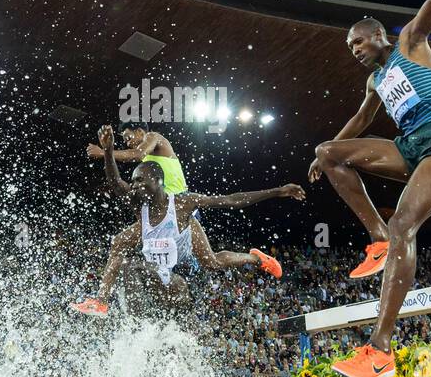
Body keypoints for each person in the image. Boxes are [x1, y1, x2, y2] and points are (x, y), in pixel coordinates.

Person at [308, 0, 431, 377]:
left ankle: (380, 349)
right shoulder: (374, 83)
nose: (355, 51)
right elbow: (360, 122)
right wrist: (325, 159)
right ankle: (377, 238)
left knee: (407, 225)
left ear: (379, 36)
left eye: (359, 43)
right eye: (350, 50)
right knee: (329, 151)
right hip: (409, 146)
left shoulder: (411, 42)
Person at [70, 125, 303, 316]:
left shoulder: (153, 140)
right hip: (152, 214)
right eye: (124, 141)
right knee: (118, 242)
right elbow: (116, 182)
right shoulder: (139, 193)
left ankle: (255, 258)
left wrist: (278, 191)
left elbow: (231, 200)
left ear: (140, 130)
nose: (128, 142)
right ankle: (100, 301)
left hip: (180, 214)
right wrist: (109, 153)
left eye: (129, 137)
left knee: (212, 262)